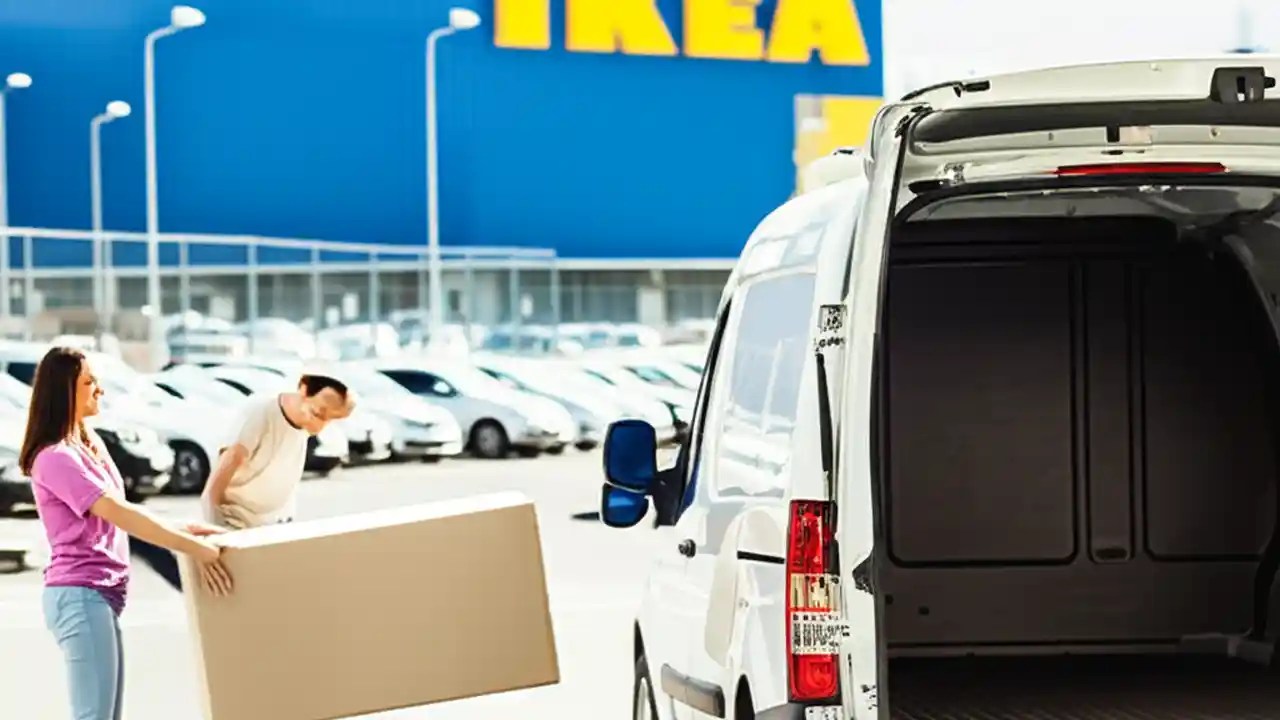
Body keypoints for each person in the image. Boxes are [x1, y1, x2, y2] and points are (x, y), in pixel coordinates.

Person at [25, 346, 232, 720]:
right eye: (90, 382)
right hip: (79, 595)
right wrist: (193, 549)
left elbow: (123, 512)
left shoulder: (88, 443)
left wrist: (183, 528)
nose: (100, 389)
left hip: (99, 595)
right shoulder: (55, 457)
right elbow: (115, 511)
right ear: (65, 390)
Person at [202, 369, 355, 529]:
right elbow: (213, 489)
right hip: (239, 524)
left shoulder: (304, 424)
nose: (321, 425)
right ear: (303, 390)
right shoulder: (261, 411)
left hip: (277, 525)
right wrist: (218, 529)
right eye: (318, 414)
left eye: (331, 419)